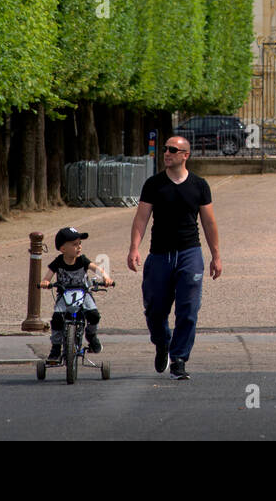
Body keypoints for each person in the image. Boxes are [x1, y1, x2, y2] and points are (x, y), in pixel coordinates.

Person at [128, 135, 220, 381]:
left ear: (185, 155)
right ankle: (162, 343)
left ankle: (179, 358)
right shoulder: (154, 184)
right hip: (159, 255)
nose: (166, 153)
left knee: (188, 308)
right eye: (165, 149)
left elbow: (209, 223)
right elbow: (141, 219)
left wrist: (216, 256)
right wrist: (134, 248)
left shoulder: (199, 185)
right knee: (155, 309)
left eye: (172, 150)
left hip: (190, 252)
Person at [40, 227, 112, 362]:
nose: (79, 247)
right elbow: (48, 276)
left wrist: (106, 278)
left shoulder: (82, 260)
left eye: (80, 244)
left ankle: (91, 335)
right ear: (63, 249)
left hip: (83, 293)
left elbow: (97, 269)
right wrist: (45, 282)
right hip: (65, 294)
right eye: (74, 244)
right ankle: (56, 347)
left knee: (94, 315)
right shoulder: (58, 262)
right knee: (57, 318)